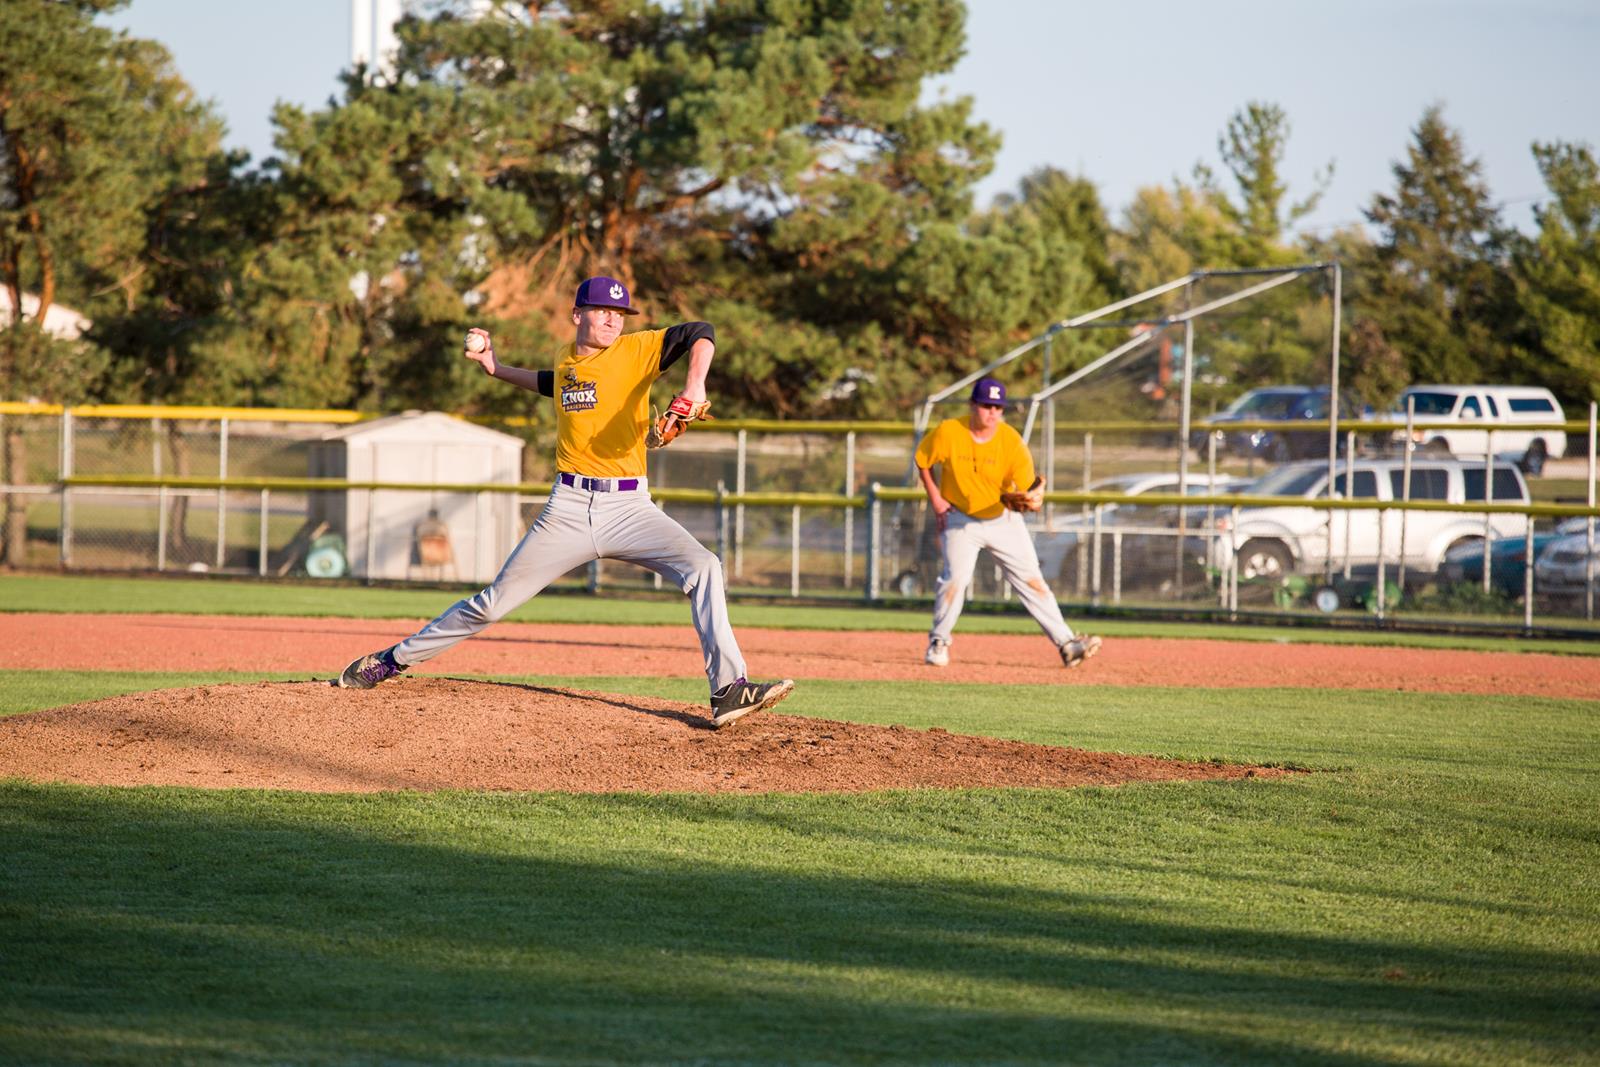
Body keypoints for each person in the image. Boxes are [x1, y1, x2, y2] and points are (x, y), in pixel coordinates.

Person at [338, 275, 795, 728]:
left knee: (704, 566)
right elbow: (550, 383)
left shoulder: (636, 351)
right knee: (491, 604)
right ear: (577, 315)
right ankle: (390, 660)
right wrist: (496, 369)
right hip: (569, 509)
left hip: (631, 508)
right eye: (602, 311)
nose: (613, 321)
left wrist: (695, 386)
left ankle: (728, 690)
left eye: (619, 314)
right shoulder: (566, 359)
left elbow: (700, 332)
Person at [914, 376, 1101, 669]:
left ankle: (1067, 644)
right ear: (972, 405)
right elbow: (923, 460)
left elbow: (1028, 488)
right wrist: (936, 498)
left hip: (1003, 519)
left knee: (1031, 580)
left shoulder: (1011, 441)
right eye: (986, 405)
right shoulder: (949, 431)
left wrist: (1033, 497)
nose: (992, 412)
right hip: (961, 519)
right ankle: (939, 642)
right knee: (955, 580)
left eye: (997, 407)